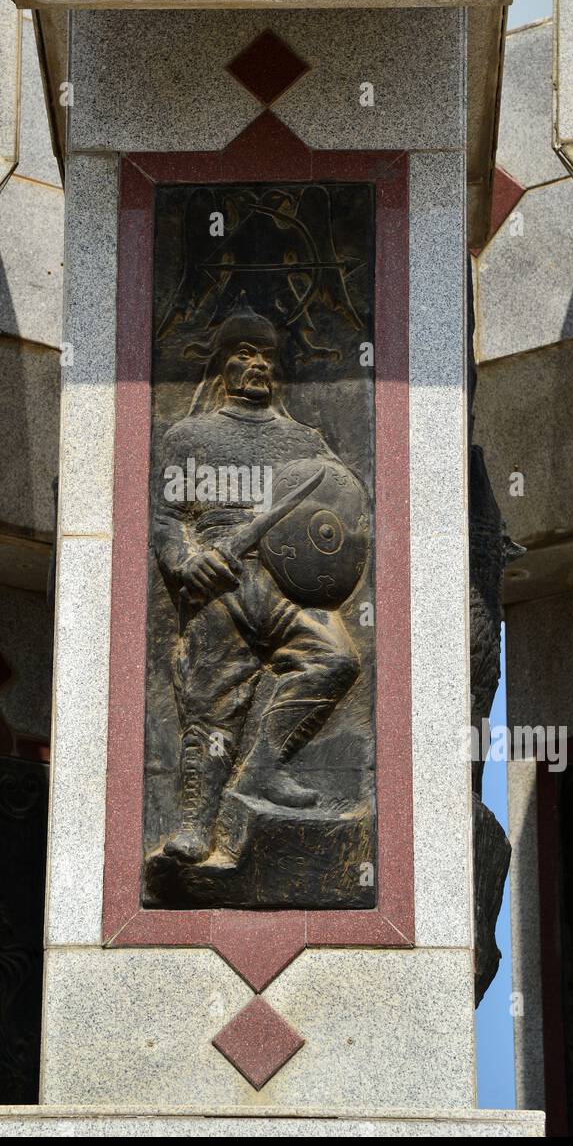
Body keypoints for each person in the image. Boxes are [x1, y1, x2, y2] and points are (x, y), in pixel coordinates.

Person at [153, 309, 360, 864]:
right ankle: (197, 824)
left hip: (288, 581)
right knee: (211, 702)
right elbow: (166, 519)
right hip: (221, 580)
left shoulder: (307, 442)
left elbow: (344, 513)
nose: (258, 363)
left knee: (335, 659)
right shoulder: (189, 436)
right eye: (244, 352)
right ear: (221, 363)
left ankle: (265, 767)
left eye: (266, 355)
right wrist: (184, 562)